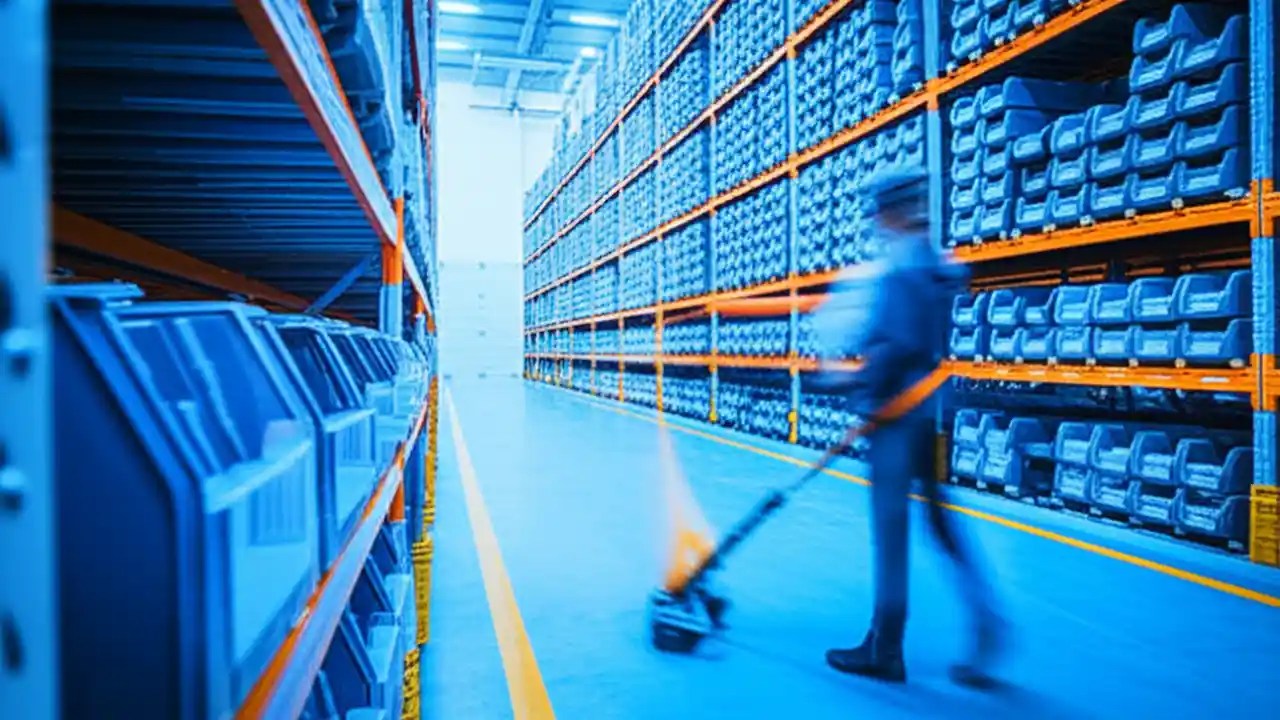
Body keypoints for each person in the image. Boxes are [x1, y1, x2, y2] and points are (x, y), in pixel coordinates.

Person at [809, 165, 1004, 687]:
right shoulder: (937, 264)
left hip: (896, 416)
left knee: (890, 527)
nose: (877, 224)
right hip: (930, 416)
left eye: (879, 215)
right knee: (940, 521)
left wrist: (853, 384)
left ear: (890, 214)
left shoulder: (900, 270)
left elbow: (895, 344)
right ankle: (988, 620)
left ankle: (885, 647)